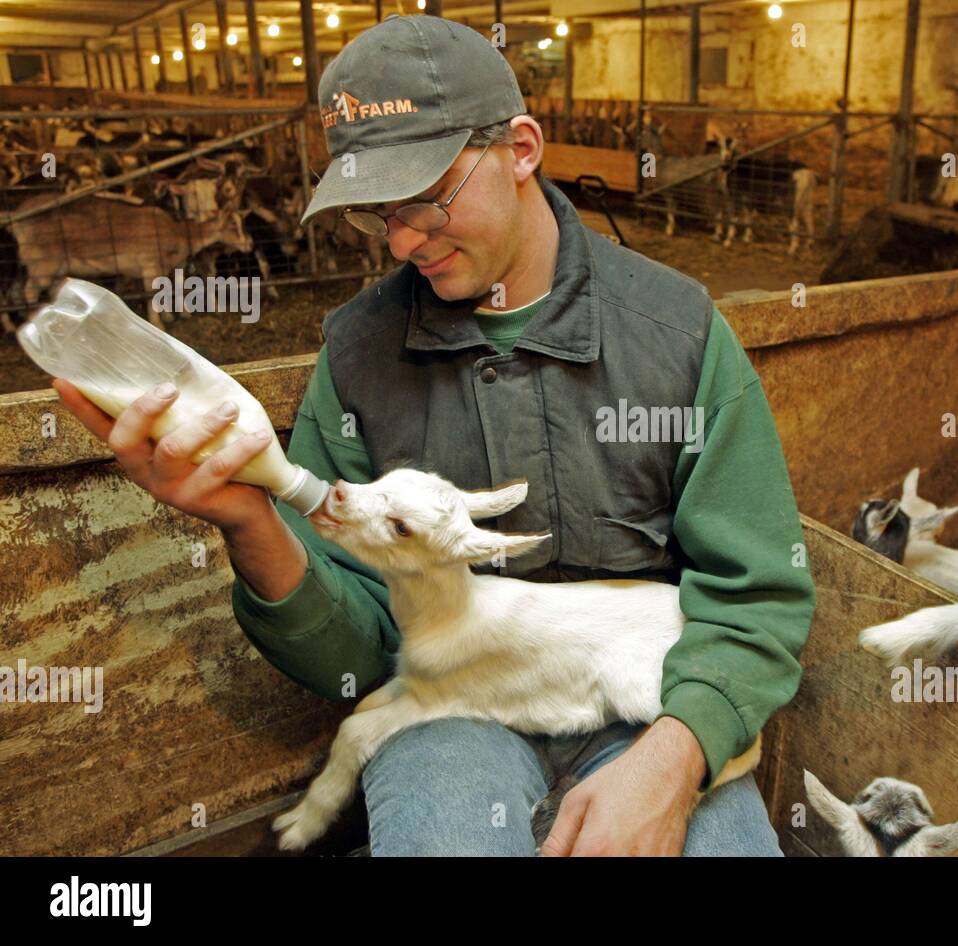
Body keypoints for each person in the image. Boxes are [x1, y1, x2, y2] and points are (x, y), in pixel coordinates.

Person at [54, 14, 814, 856]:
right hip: (450, 704)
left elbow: (756, 596)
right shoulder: (358, 354)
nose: (403, 240)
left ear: (521, 148)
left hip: (653, 701)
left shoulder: (675, 333)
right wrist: (252, 523)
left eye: (426, 197)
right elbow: (360, 646)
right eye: (378, 214)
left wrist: (678, 754)